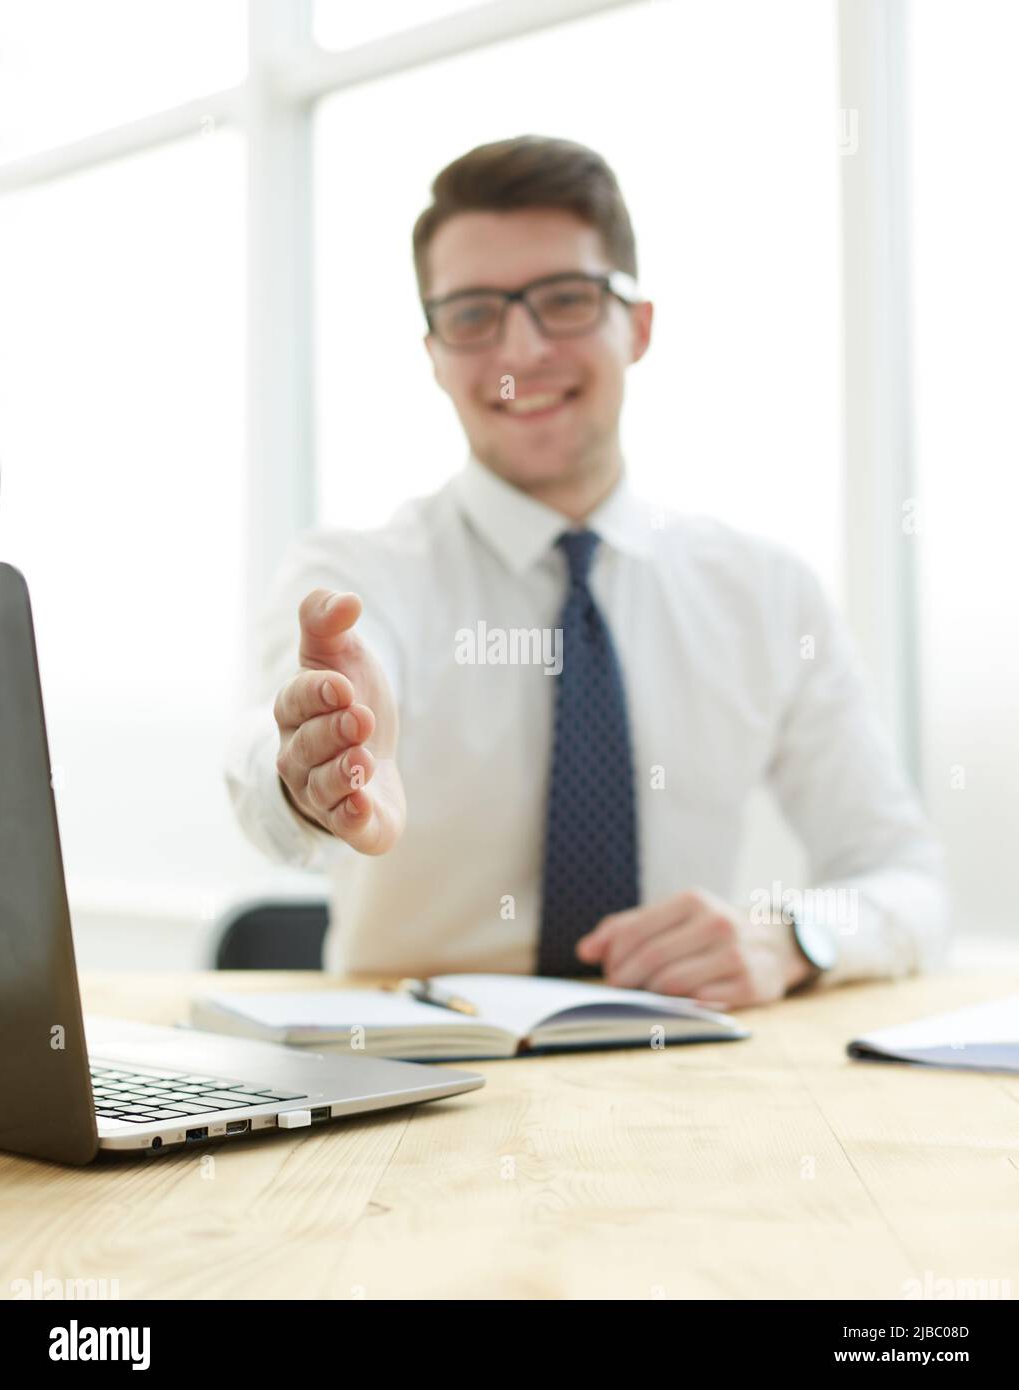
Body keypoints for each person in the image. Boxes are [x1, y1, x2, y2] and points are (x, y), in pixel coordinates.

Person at [225, 134, 949, 1007]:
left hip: (684, 1080)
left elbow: (906, 876)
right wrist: (308, 773)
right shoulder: (351, 575)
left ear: (638, 325)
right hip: (408, 1084)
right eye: (472, 314)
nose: (521, 351)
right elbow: (264, 773)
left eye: (565, 300)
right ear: (434, 353)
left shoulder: (766, 592)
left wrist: (796, 936)